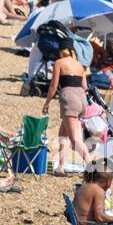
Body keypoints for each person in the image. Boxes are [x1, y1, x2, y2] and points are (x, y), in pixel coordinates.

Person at [43, 43, 90, 173]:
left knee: (75, 140)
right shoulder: (79, 64)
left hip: (69, 100)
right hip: (81, 99)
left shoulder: (59, 63)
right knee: (63, 134)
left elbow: (53, 86)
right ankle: (61, 167)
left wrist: (47, 103)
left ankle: (92, 167)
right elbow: (85, 87)